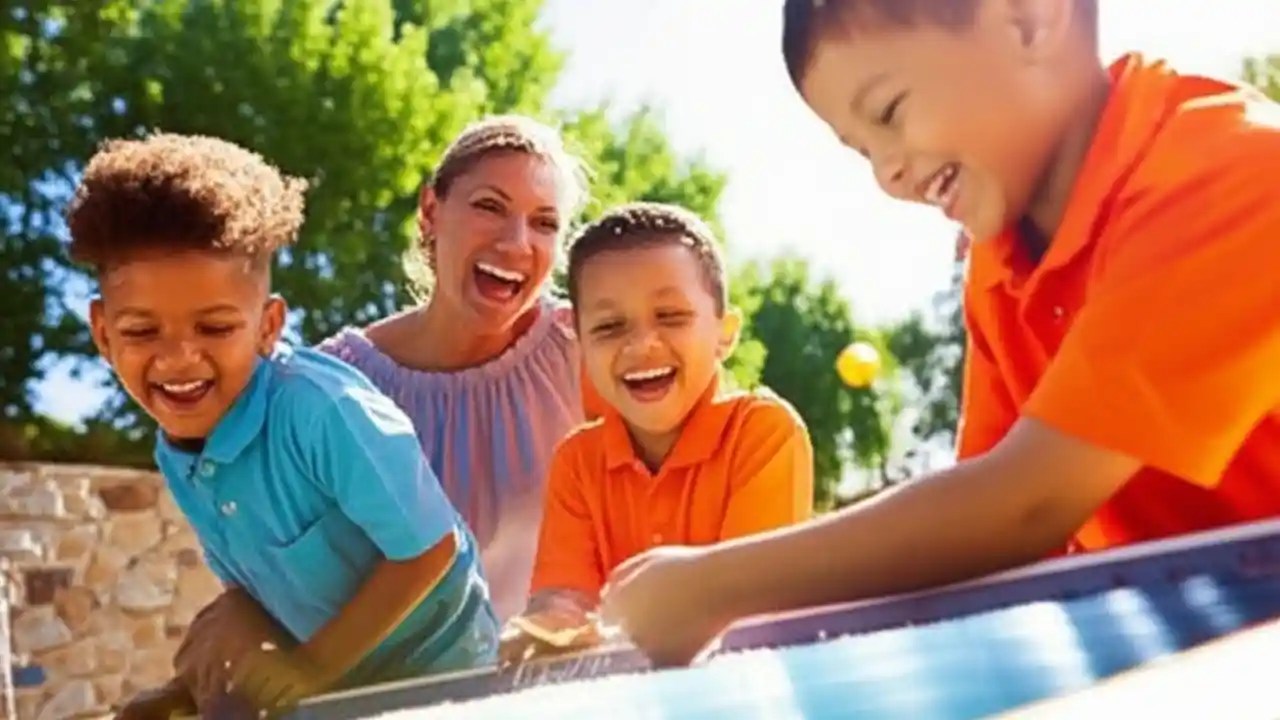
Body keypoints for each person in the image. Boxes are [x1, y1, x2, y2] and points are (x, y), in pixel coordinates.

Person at [600, 0, 1280, 668]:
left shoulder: (1230, 171)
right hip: (1197, 642)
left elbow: (1024, 506)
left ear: (1029, 18)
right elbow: (978, 525)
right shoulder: (998, 262)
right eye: (862, 149)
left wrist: (715, 587)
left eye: (890, 112)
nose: (887, 172)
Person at [164, 113, 601, 710]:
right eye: (490, 206)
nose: (516, 242)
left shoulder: (584, 351)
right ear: (430, 212)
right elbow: (273, 567)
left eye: (544, 223)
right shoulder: (331, 387)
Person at [71, 133, 498, 717]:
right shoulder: (179, 453)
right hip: (336, 677)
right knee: (217, 628)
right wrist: (192, 690)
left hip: (440, 680)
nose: (177, 360)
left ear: (268, 326)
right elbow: (256, 591)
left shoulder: (321, 410)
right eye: (143, 333)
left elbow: (431, 549)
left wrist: (313, 667)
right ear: (103, 333)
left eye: (216, 328)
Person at [500, 203, 815, 662]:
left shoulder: (764, 433)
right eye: (609, 326)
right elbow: (562, 601)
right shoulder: (577, 461)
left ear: (725, 334)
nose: (642, 344)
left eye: (670, 316)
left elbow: (748, 610)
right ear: (579, 342)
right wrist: (544, 630)